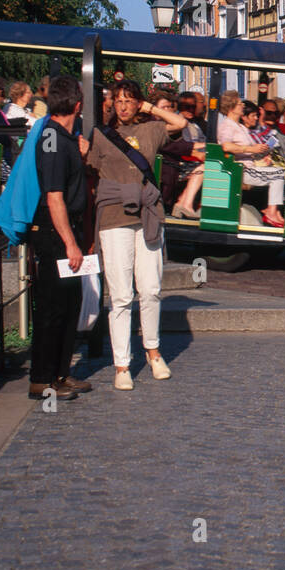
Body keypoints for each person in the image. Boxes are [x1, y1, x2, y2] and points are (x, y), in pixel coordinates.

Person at [87, 79, 186, 390]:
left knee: (151, 287)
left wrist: (149, 107)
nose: (123, 106)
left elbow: (180, 122)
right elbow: (91, 175)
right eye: (118, 101)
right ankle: (122, 364)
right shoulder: (101, 136)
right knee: (120, 295)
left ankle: (154, 352)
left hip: (147, 215)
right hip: (114, 217)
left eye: (129, 100)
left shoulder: (151, 130)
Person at [27, 75, 91, 401]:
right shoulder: (52, 139)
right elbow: (54, 197)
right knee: (52, 307)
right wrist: (70, 242)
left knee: (70, 304)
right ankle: (42, 378)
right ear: (77, 105)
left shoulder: (64, 138)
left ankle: (61, 372)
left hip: (67, 229)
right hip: (55, 233)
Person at [216, 89, 285, 228]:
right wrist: (250, 149)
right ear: (231, 108)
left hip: (249, 166)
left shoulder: (240, 127)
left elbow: (248, 148)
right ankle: (271, 212)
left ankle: (274, 211)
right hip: (240, 170)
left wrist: (259, 153)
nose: (242, 106)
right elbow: (226, 146)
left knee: (279, 171)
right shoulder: (227, 126)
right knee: (278, 174)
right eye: (239, 104)